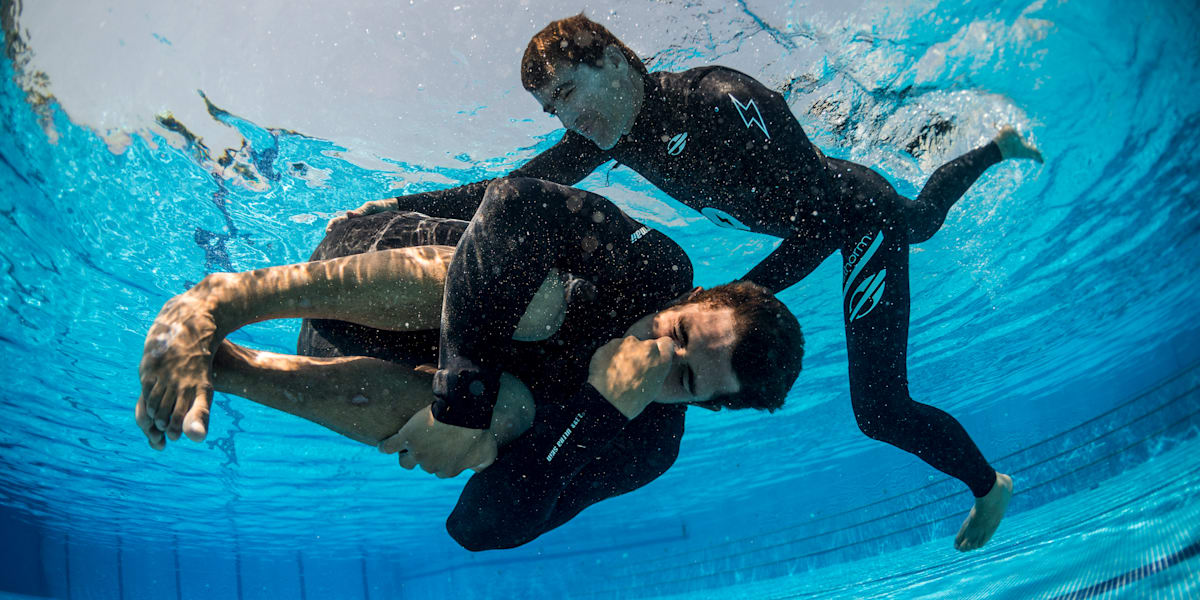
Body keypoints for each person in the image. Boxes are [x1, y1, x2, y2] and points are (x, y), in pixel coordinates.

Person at [329, 15, 1045, 551]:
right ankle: (995, 148)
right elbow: (518, 187)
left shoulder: (722, 99)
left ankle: (989, 488)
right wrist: (399, 207)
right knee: (922, 219)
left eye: (572, 91)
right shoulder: (614, 133)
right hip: (829, 216)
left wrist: (719, 296)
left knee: (885, 376)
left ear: (615, 60)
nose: (571, 116)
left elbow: (822, 217)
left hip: (856, 219)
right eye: (554, 107)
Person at [135, 177, 805, 550]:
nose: (660, 352)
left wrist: (596, 414)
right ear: (689, 297)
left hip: (351, 366)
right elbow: (516, 203)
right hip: (367, 259)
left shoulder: (646, 444)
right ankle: (227, 299)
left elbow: (478, 528)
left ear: (704, 407)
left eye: (684, 379)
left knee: (512, 417)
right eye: (680, 330)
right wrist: (462, 400)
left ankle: (219, 367)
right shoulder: (650, 268)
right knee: (544, 302)